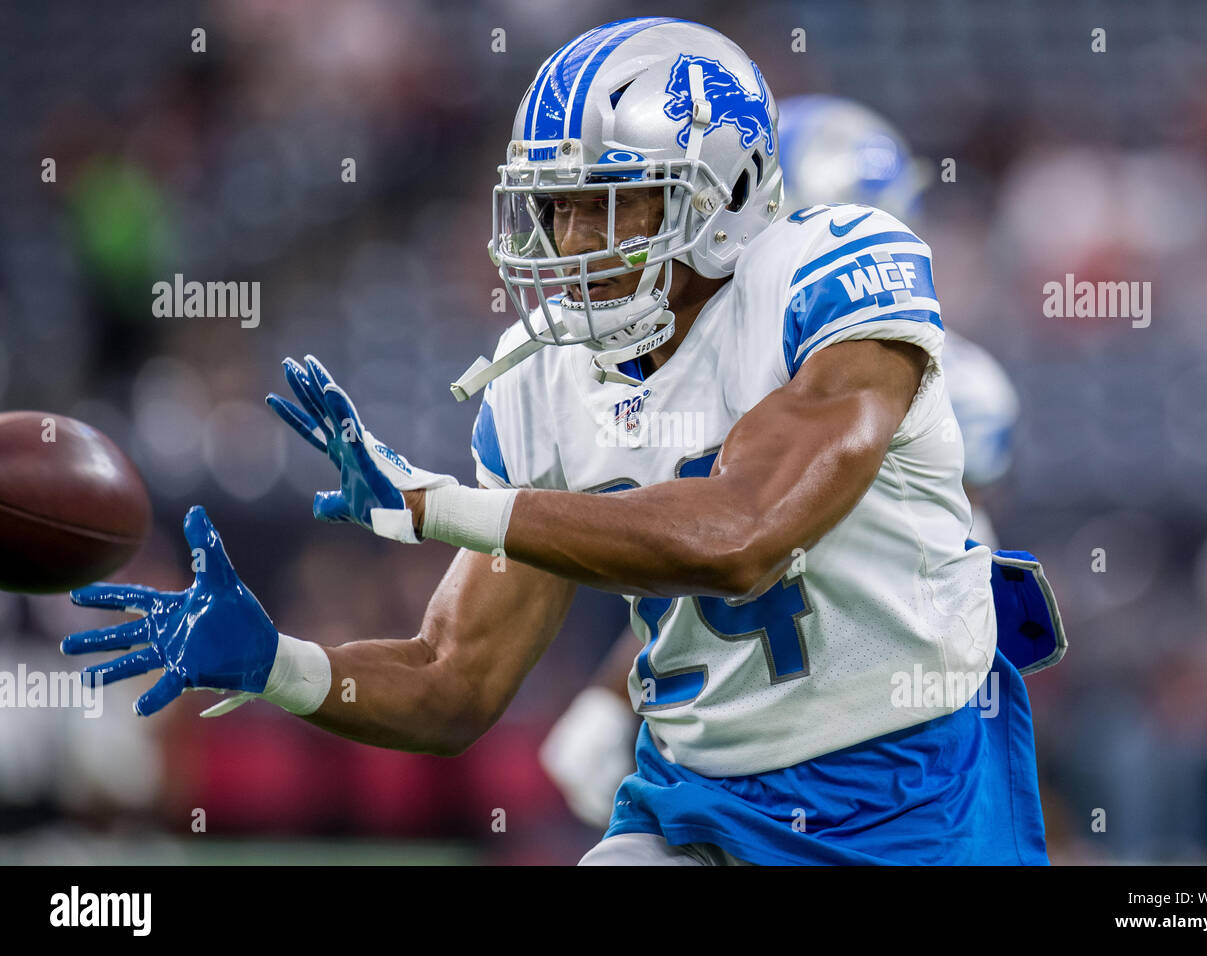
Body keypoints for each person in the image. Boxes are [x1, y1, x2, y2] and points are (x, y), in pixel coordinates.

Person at [62, 18, 1058, 865]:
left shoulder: (833, 277)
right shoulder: (541, 378)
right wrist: (281, 662)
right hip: (700, 799)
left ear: (728, 194)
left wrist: (435, 504)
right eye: (559, 205)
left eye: (616, 202)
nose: (577, 242)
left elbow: (742, 529)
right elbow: (454, 679)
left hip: (919, 789)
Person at [542, 92, 1027, 834]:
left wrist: (611, 698)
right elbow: (708, 563)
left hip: (891, 727)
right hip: (762, 724)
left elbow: (834, 560)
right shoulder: (715, 360)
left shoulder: (945, 384)